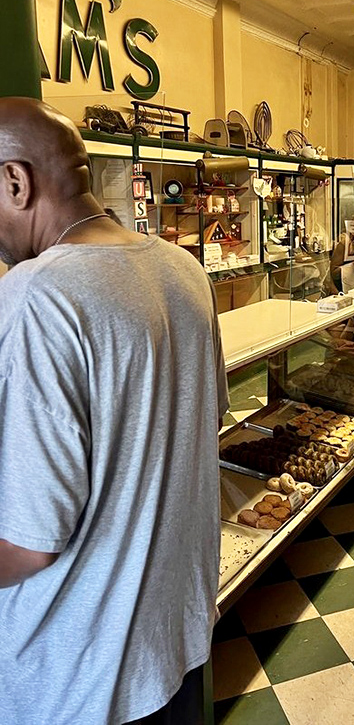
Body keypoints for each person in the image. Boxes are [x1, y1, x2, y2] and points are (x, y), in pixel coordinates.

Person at [0, 98, 228, 725]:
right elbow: (200, 425)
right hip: (172, 647)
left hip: (74, 680)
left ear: (16, 182)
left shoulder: (36, 296)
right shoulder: (185, 270)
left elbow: (29, 542)